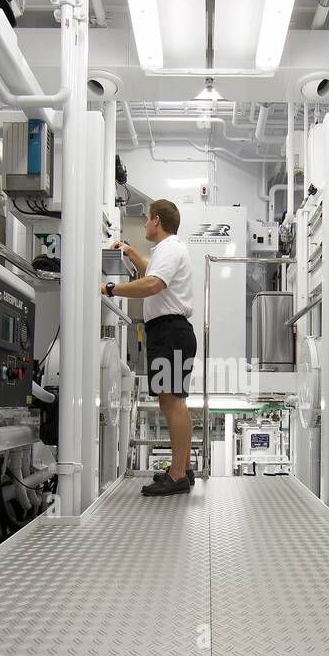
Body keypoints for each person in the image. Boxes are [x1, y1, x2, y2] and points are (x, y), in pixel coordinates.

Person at [101, 199, 197, 496]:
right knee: (171, 400)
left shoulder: (169, 248)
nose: (144, 224)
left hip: (170, 332)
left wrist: (110, 289)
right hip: (167, 331)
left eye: (146, 219)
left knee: (172, 401)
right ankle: (181, 468)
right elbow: (152, 274)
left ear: (156, 220)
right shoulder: (166, 251)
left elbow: (153, 285)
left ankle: (179, 474)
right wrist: (130, 252)